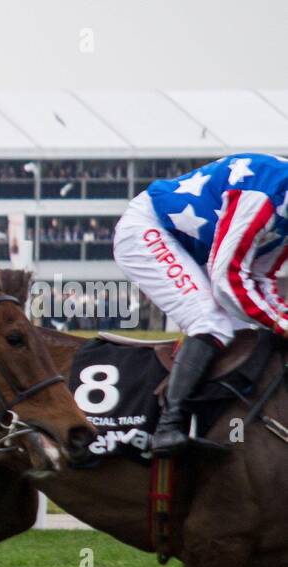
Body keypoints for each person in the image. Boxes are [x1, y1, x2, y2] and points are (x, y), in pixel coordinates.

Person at [113, 153, 288, 455]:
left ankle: (225, 428)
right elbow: (227, 280)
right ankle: (169, 426)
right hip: (148, 227)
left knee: (244, 331)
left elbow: (260, 276)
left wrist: (282, 320)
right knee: (210, 321)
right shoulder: (263, 195)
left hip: (194, 249)